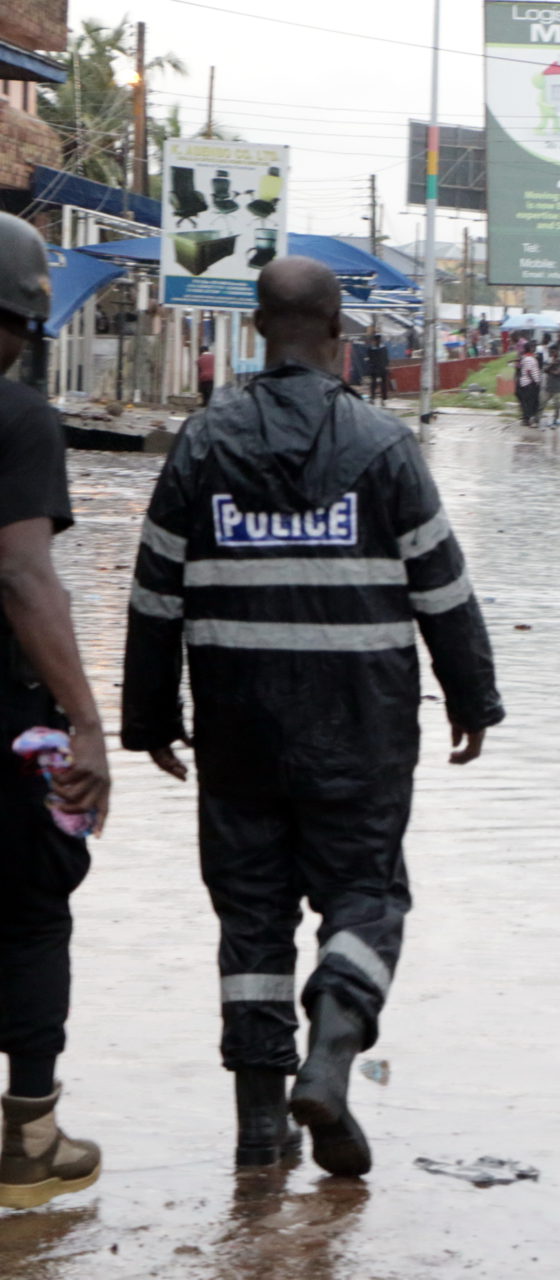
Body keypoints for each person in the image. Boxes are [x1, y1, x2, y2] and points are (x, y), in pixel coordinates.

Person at [121, 257, 505, 1176]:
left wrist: (149, 721)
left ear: (257, 329)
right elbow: (443, 592)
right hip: (361, 730)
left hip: (238, 726)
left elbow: (152, 596)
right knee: (366, 896)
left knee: (250, 920)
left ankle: (260, 1133)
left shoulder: (202, 443)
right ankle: (330, 1059)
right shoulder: (382, 447)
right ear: (340, 335)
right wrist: (472, 698)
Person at [0, 212, 110, 1211]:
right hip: (1, 721)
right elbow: (27, 577)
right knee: (32, 909)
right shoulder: (18, 415)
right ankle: (29, 1135)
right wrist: (85, 720)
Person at [514, 342, 541, 427]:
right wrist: (535, 381)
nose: (534, 349)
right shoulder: (529, 359)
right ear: (529, 349)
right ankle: (530, 420)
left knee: (527, 402)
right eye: (533, 347)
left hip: (525, 383)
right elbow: (529, 371)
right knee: (531, 403)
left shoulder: (525, 358)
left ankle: (526, 419)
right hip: (530, 383)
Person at [363, 336, 389, 405]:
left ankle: (382, 399)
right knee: (374, 384)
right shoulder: (373, 349)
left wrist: (385, 366)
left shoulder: (380, 348)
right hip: (377, 368)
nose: (375, 342)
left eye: (376, 340)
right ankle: (373, 398)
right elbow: (386, 359)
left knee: (381, 384)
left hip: (379, 368)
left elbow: (386, 359)